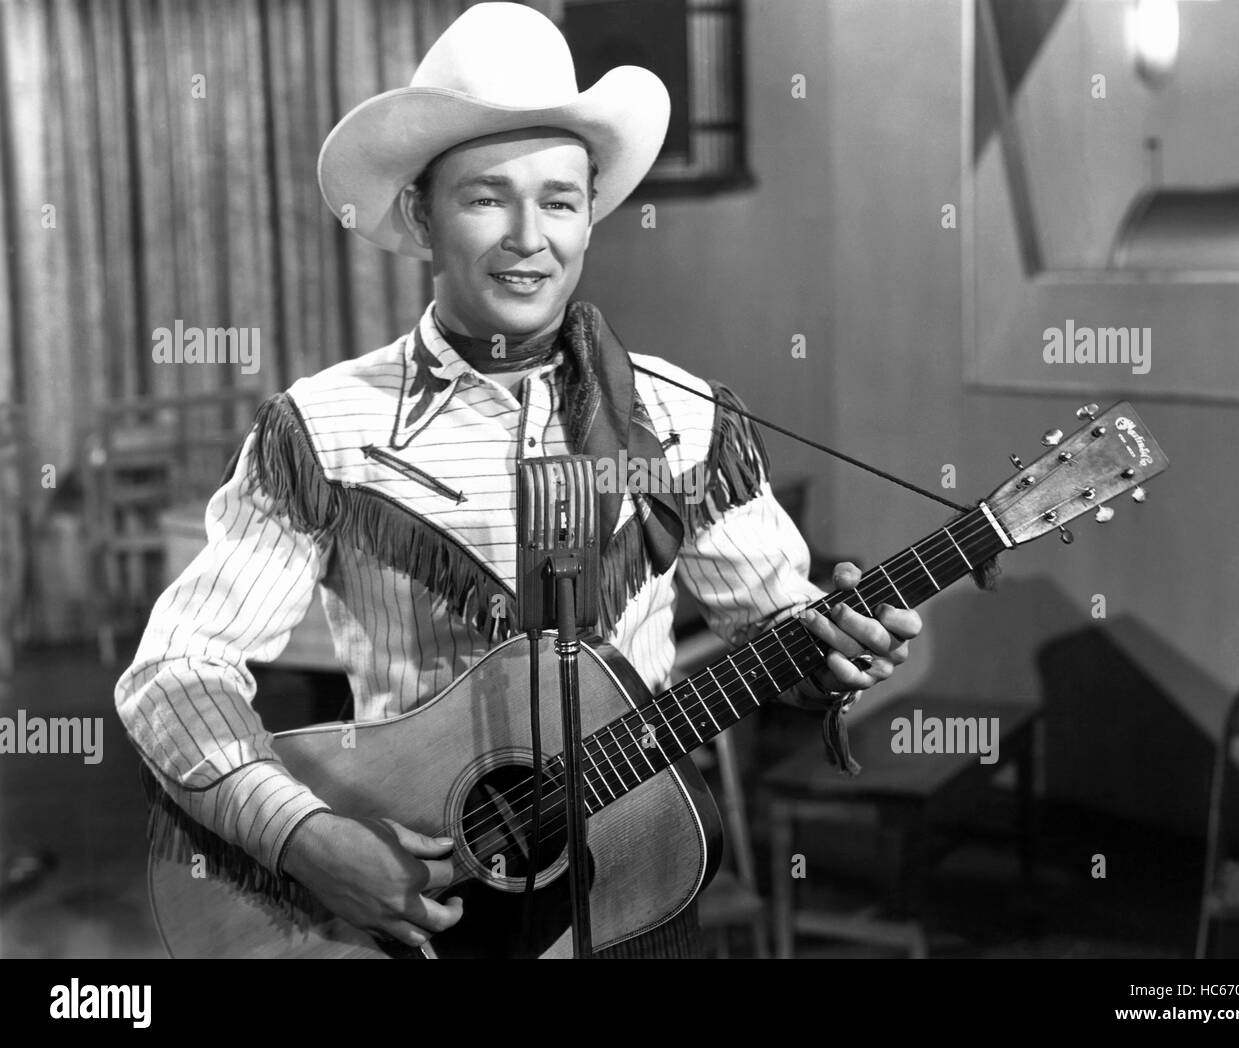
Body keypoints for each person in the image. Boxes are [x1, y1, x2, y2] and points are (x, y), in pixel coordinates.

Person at [115, 2, 922, 959]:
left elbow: (775, 622)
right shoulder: (322, 428)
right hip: (412, 912)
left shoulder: (686, 416)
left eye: (560, 199)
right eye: (486, 197)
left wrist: (835, 650)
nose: (527, 238)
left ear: (590, 215)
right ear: (420, 212)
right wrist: (303, 835)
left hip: (636, 897)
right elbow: (175, 673)